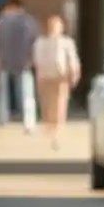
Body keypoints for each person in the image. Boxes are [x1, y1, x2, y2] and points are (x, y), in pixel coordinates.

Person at [0, 0, 40, 132]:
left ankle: (2, 119)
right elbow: (35, 41)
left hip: (4, 59)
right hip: (24, 61)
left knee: (2, 91)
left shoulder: (0, 21)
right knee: (26, 93)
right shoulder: (29, 21)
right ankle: (29, 123)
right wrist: (33, 59)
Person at [32, 14, 81, 149]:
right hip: (45, 76)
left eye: (56, 25)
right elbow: (37, 60)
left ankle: (57, 130)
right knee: (47, 104)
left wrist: (74, 73)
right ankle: (49, 128)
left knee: (59, 103)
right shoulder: (40, 42)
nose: (54, 28)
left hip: (60, 77)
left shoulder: (66, 42)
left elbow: (72, 59)